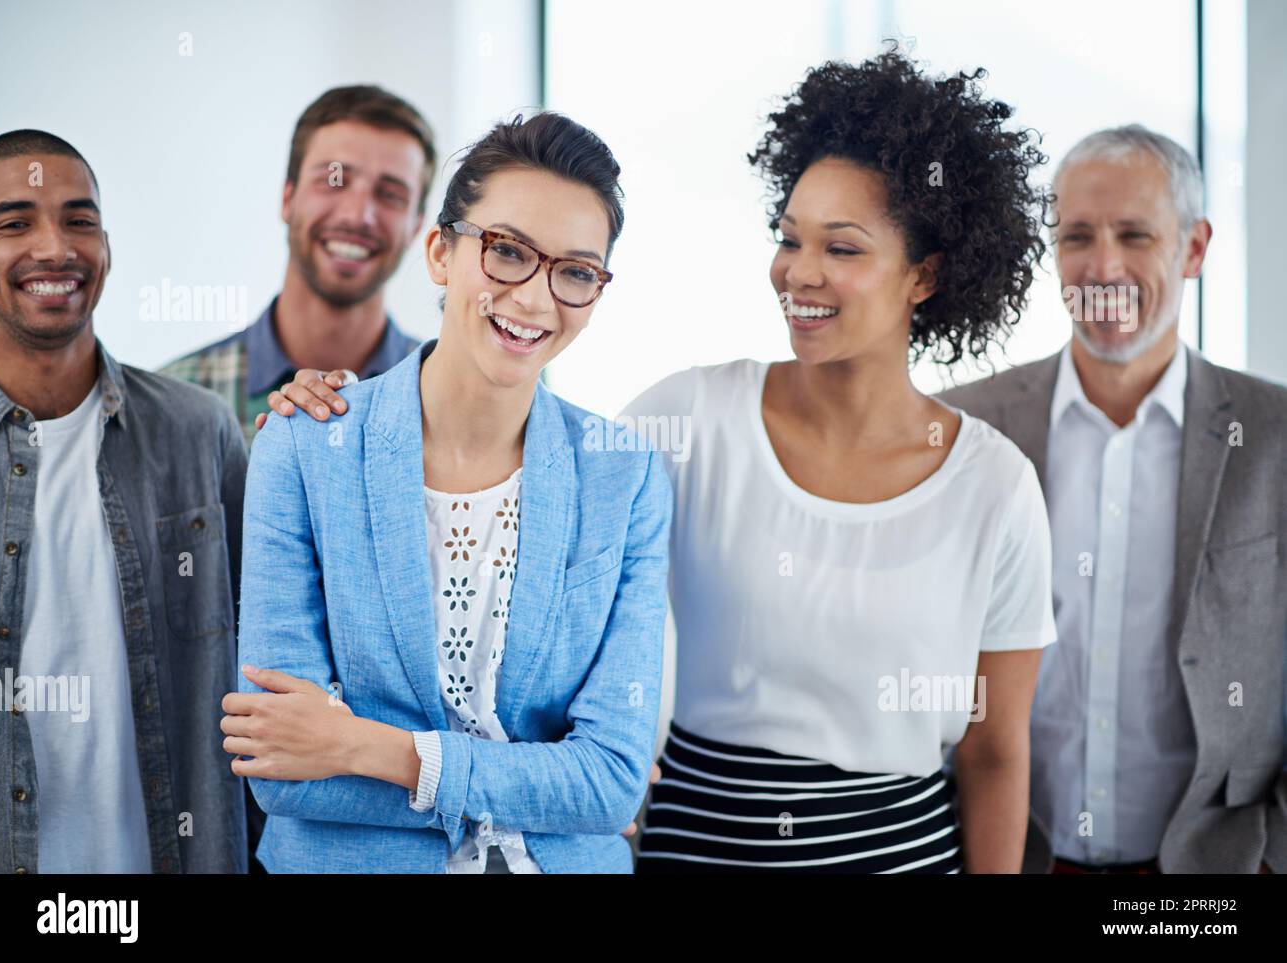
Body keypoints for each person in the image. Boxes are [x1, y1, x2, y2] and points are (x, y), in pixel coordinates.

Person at [261, 48, 1056, 873]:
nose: (800, 271)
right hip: (694, 848)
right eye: (789, 238)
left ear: (924, 274)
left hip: (902, 855)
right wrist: (333, 414)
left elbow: (995, 751)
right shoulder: (687, 420)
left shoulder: (993, 485)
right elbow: (514, 431)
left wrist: (370, 750)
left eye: (842, 249)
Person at [222, 112, 672, 873]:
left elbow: (610, 785)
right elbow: (281, 769)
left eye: (575, 271)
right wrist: (529, 780)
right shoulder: (305, 444)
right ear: (440, 251)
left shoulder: (623, 475)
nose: (534, 297)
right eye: (507, 252)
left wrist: (364, 745)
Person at [940, 124, 1287, 874]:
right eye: (1076, 237)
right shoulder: (966, 428)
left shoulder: (1275, 438)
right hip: (1009, 854)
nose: (1103, 266)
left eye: (1135, 235)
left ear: (1194, 249)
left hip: (1209, 873)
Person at [0, 129, 248, 873]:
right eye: (14, 223)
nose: (55, 247)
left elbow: (268, 672)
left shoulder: (199, 432)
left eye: (79, 219)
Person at [161, 85, 435, 445]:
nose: (358, 216)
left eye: (390, 195)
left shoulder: (445, 400)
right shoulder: (172, 407)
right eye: (333, 181)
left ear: (416, 226)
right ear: (287, 198)